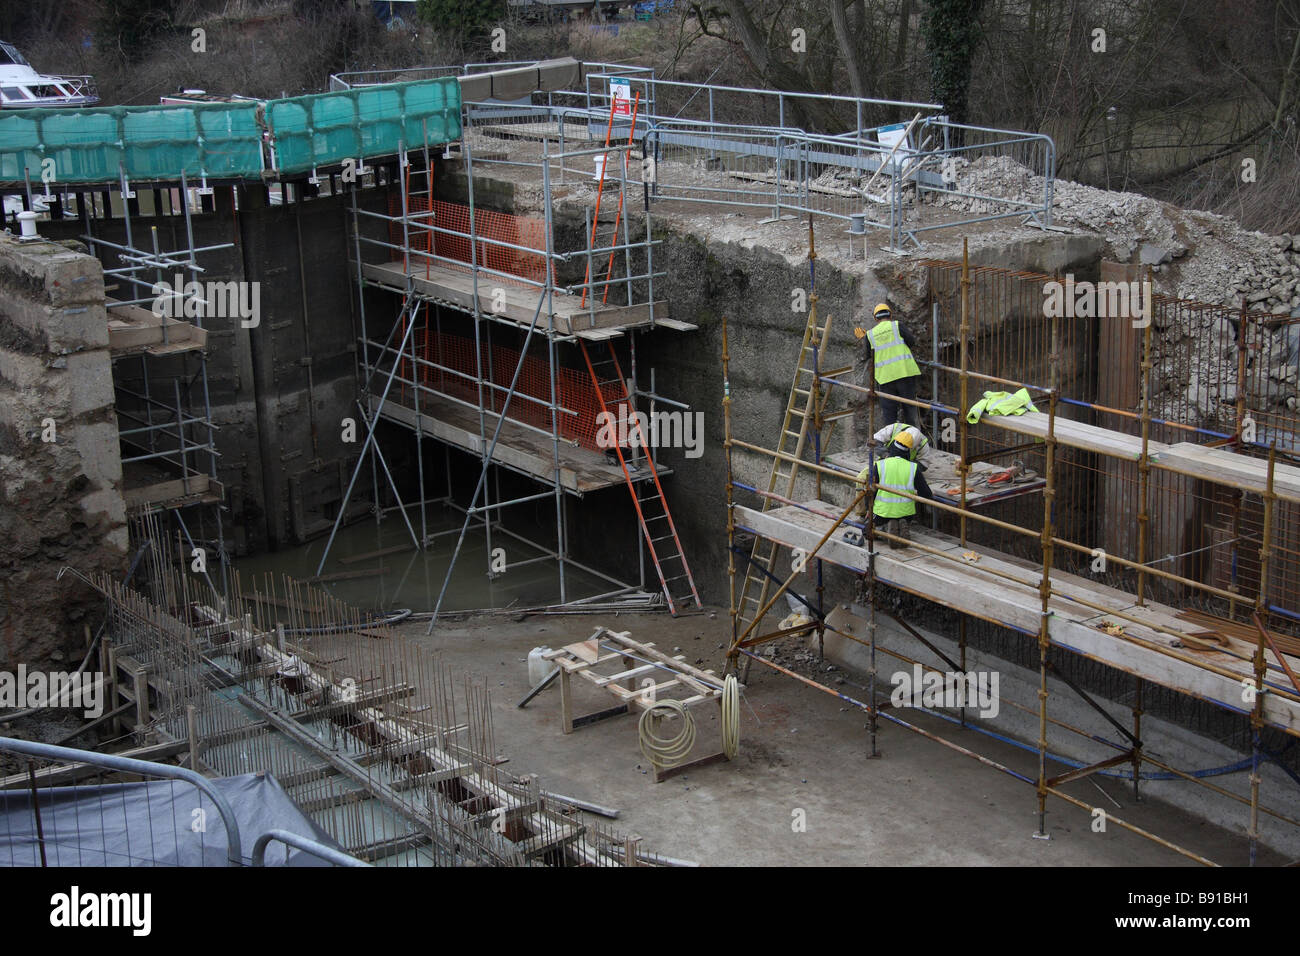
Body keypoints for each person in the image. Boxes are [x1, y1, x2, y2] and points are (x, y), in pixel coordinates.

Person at [853, 432, 933, 548]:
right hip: (906, 514)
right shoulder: (913, 468)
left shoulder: (880, 465)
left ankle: (885, 530)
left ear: (892, 447)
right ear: (908, 451)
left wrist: (868, 510)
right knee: (901, 516)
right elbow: (926, 494)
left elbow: (871, 491)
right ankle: (899, 526)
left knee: (867, 532)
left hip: (882, 513)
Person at [856, 302, 921, 427]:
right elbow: (911, 342)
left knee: (889, 413)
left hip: (885, 378)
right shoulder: (897, 326)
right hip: (905, 373)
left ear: (875, 318)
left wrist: (863, 339)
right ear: (890, 315)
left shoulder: (870, 335)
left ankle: (891, 442)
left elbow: (867, 355)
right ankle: (913, 438)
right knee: (910, 409)